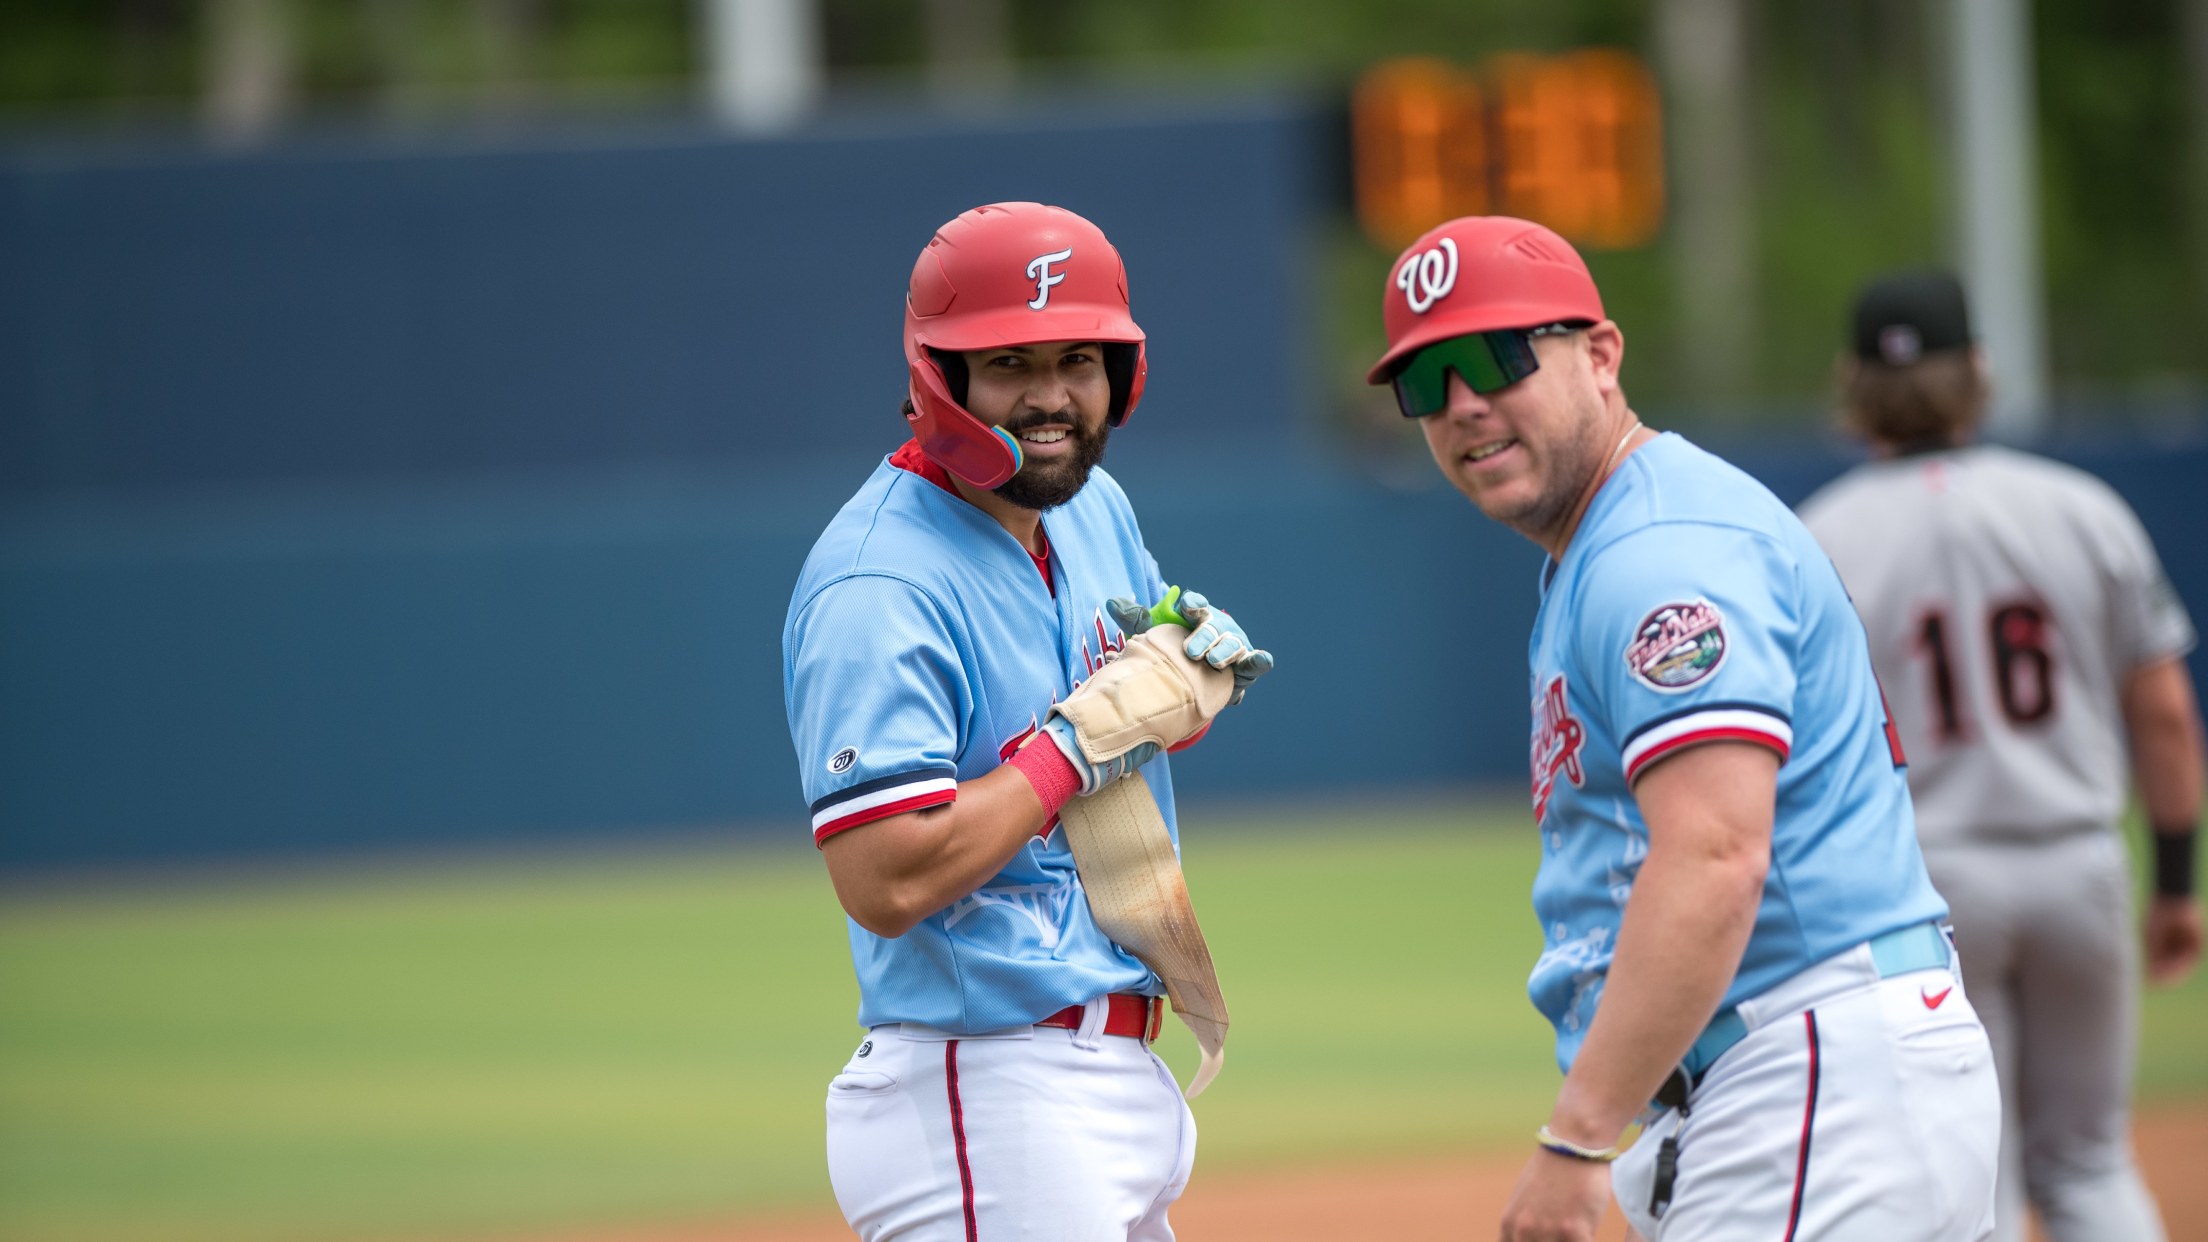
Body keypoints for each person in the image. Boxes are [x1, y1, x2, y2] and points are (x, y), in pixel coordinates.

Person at [1366, 216, 2001, 1241]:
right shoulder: (1621, 536)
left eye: (1496, 357)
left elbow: (1714, 856)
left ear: (1602, 354)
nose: (1463, 404)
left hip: (1813, 1072)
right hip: (1816, 1074)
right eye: (1425, 381)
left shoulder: (1660, 554)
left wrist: (1577, 1139)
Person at [781, 201, 1272, 1241]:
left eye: (1077, 360)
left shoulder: (1093, 512)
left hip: (1113, 1069)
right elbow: (883, 877)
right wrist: (1069, 752)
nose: (1051, 397)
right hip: (986, 1091)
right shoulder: (880, 581)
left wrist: (1178, 685)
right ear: (939, 378)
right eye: (1009, 363)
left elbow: (1124, 728)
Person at [1797, 269, 2204, 1242]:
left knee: (1962, 1181)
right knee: (2090, 1166)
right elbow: (2165, 717)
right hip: (2078, 869)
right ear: (1979, 370)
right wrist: (2178, 883)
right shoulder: (2080, 508)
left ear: (1851, 384)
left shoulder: (1817, 539)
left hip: (1920, 897)